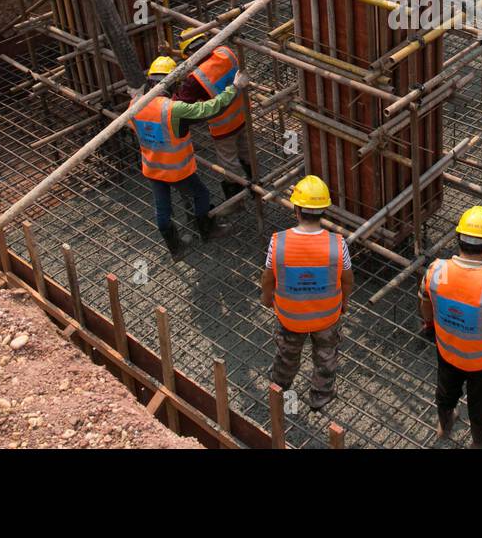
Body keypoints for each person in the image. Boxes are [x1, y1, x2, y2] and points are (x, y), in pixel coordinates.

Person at [128, 56, 247, 257]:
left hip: (152, 167)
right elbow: (211, 107)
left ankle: (175, 248)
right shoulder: (173, 109)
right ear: (173, 82)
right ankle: (207, 231)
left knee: (162, 208)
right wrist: (234, 87)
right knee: (201, 195)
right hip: (177, 170)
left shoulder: (135, 104)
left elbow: (134, 125)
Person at [420, 206, 482, 448]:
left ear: (458, 240)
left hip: (447, 353)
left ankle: (446, 422)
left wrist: (434, 325)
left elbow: (425, 307)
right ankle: (480, 443)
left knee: (445, 395)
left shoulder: (435, 270)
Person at [260, 175, 352, 412]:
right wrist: (345, 303)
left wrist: (266, 298)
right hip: (327, 318)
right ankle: (320, 397)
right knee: (326, 357)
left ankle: (280, 391)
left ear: (297, 209)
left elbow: (268, 276)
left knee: (287, 356)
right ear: (323, 211)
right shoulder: (337, 244)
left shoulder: (278, 242)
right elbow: (347, 278)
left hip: (291, 318)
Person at [174, 29, 252, 206]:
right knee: (247, 152)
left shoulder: (195, 79)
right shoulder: (226, 52)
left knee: (229, 164)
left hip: (223, 126)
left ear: (190, 54)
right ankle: (256, 187)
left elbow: (179, 105)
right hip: (242, 113)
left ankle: (236, 202)